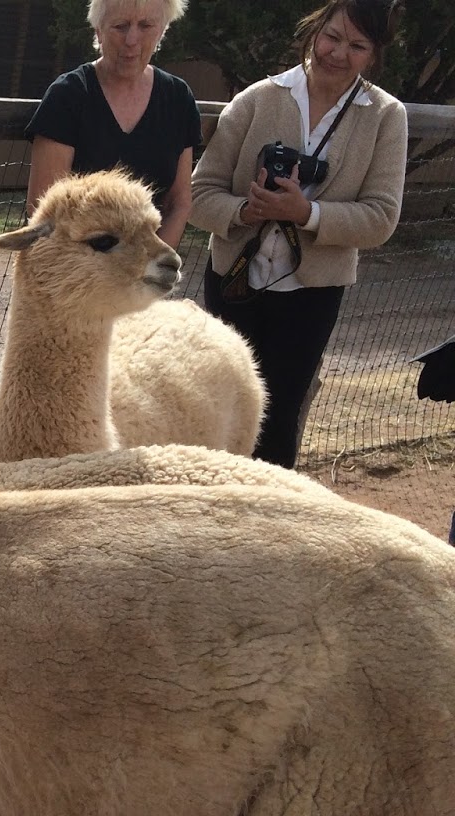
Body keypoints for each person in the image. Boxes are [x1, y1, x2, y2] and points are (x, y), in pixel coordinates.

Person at [191, 0, 407, 468]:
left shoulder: (385, 117)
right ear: (314, 30)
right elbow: (200, 193)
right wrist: (246, 211)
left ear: (374, 54)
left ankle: (268, 527)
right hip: (234, 281)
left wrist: (305, 212)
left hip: (312, 294)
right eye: (332, 36)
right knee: (219, 408)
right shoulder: (256, 99)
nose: (338, 53)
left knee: (280, 414)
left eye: (357, 45)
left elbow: (381, 217)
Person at [25, 0, 200, 247]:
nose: (131, 39)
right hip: (77, 267)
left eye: (146, 25)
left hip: (147, 272)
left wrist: (151, 264)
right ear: (98, 30)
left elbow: (178, 202)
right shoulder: (69, 95)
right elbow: (43, 211)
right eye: (120, 26)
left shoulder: (178, 98)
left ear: (162, 30)